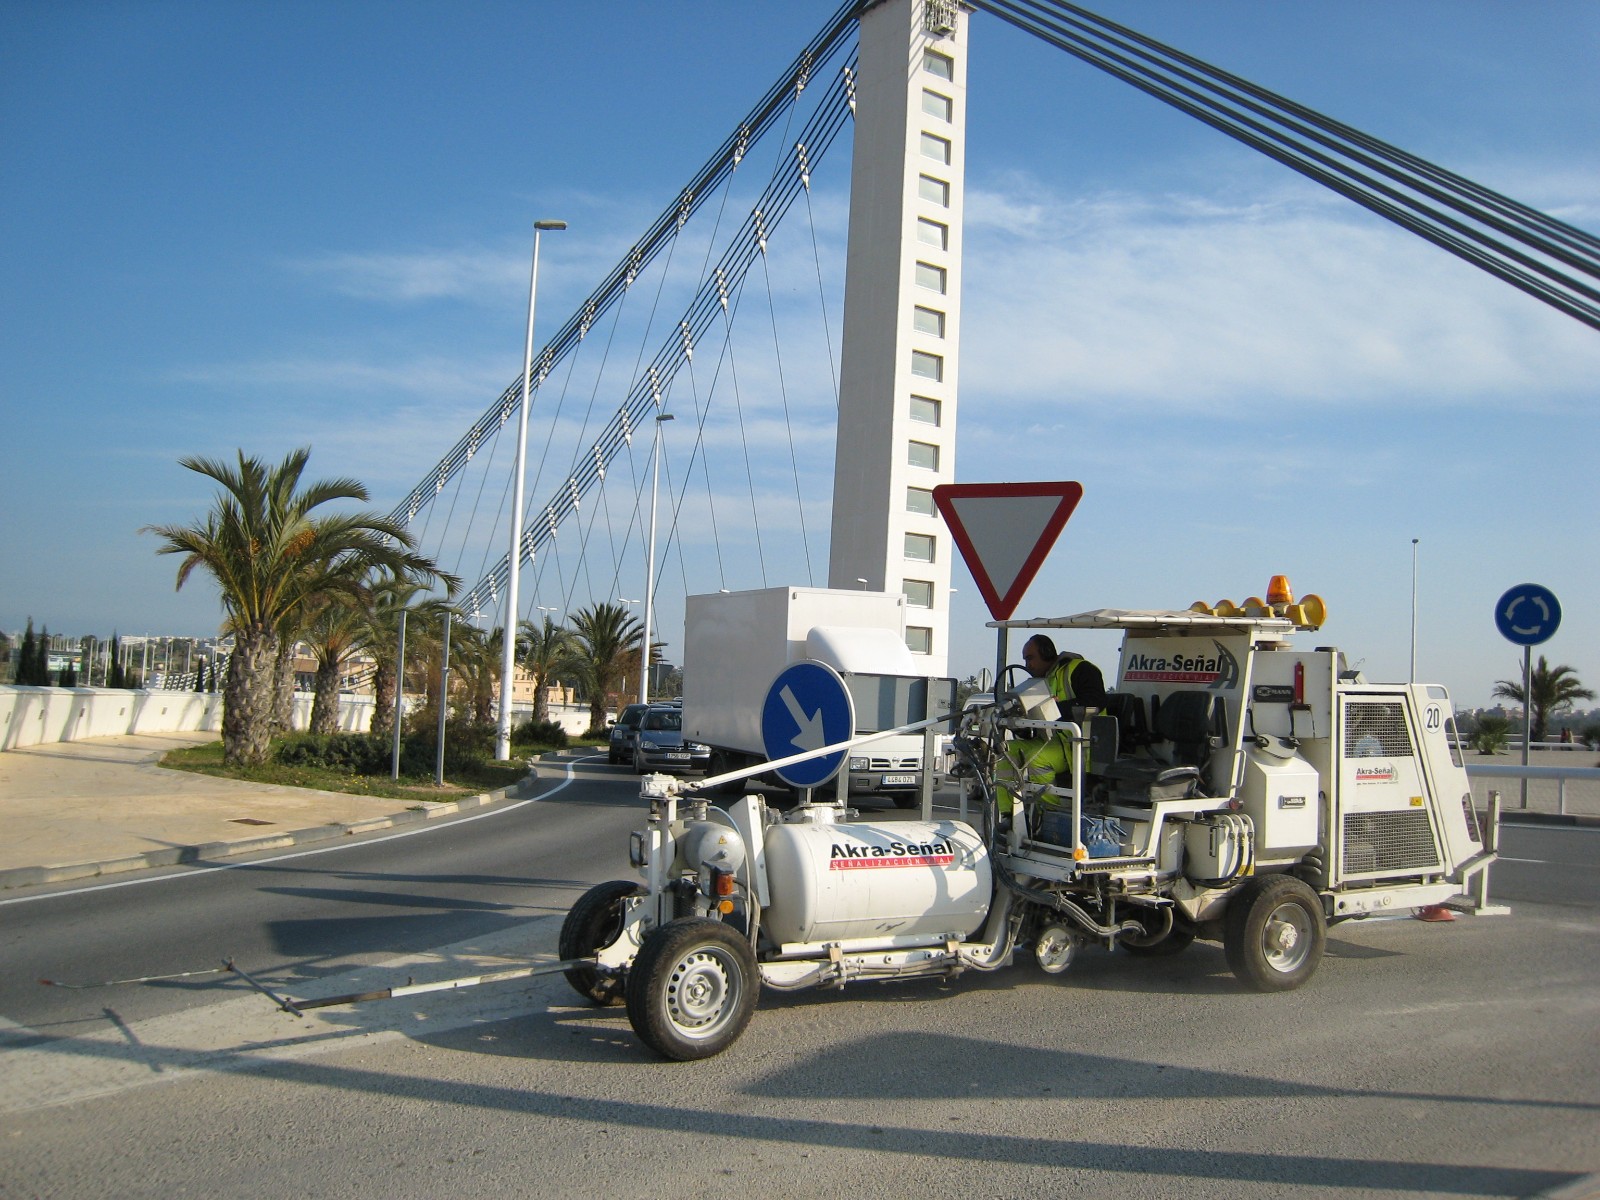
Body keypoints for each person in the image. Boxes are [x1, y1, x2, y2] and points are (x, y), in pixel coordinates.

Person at [995, 634, 1107, 832]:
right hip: (1057, 743)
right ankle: (1009, 816)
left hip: (1082, 746)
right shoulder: (1042, 681)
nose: (1027, 664)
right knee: (1005, 752)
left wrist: (1055, 707)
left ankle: (1047, 816)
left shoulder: (1081, 669)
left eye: (1030, 658)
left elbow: (1094, 702)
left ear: (1046, 654)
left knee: (1037, 759)